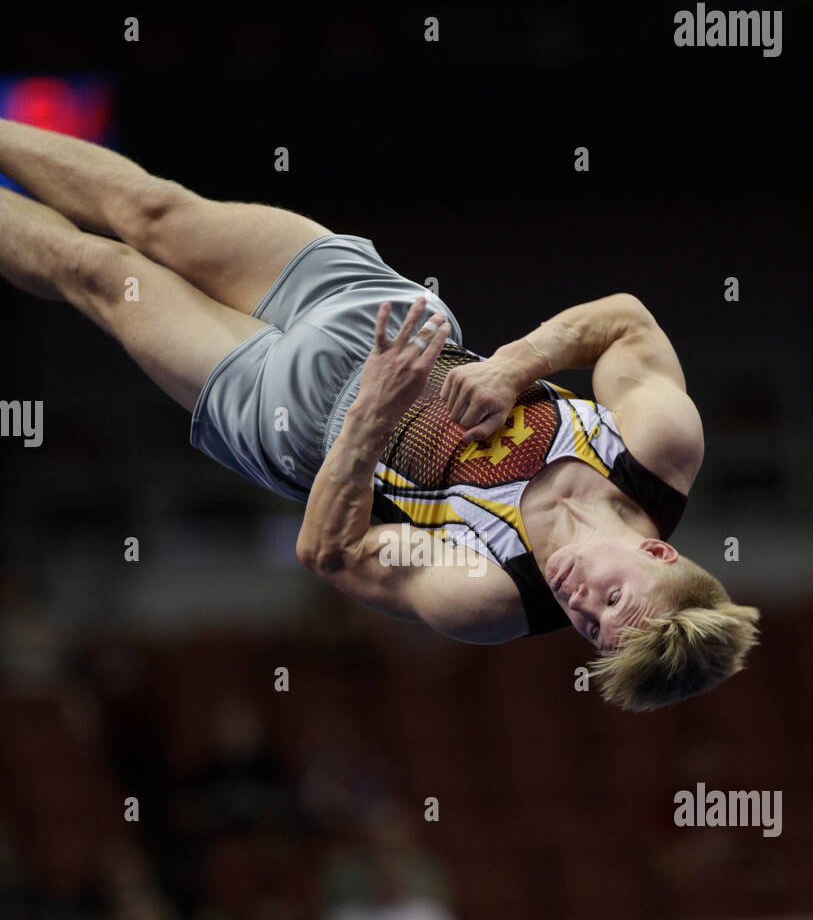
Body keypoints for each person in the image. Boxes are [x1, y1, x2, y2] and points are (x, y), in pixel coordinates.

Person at [0, 119, 759, 710]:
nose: (581, 602)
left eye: (591, 627)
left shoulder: (490, 594)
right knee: (154, 210)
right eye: (612, 598)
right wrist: (514, 364)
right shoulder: (658, 448)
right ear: (658, 556)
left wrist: (367, 418)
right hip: (383, 318)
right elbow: (627, 322)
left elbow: (330, 554)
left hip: (294, 418)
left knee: (102, 273)